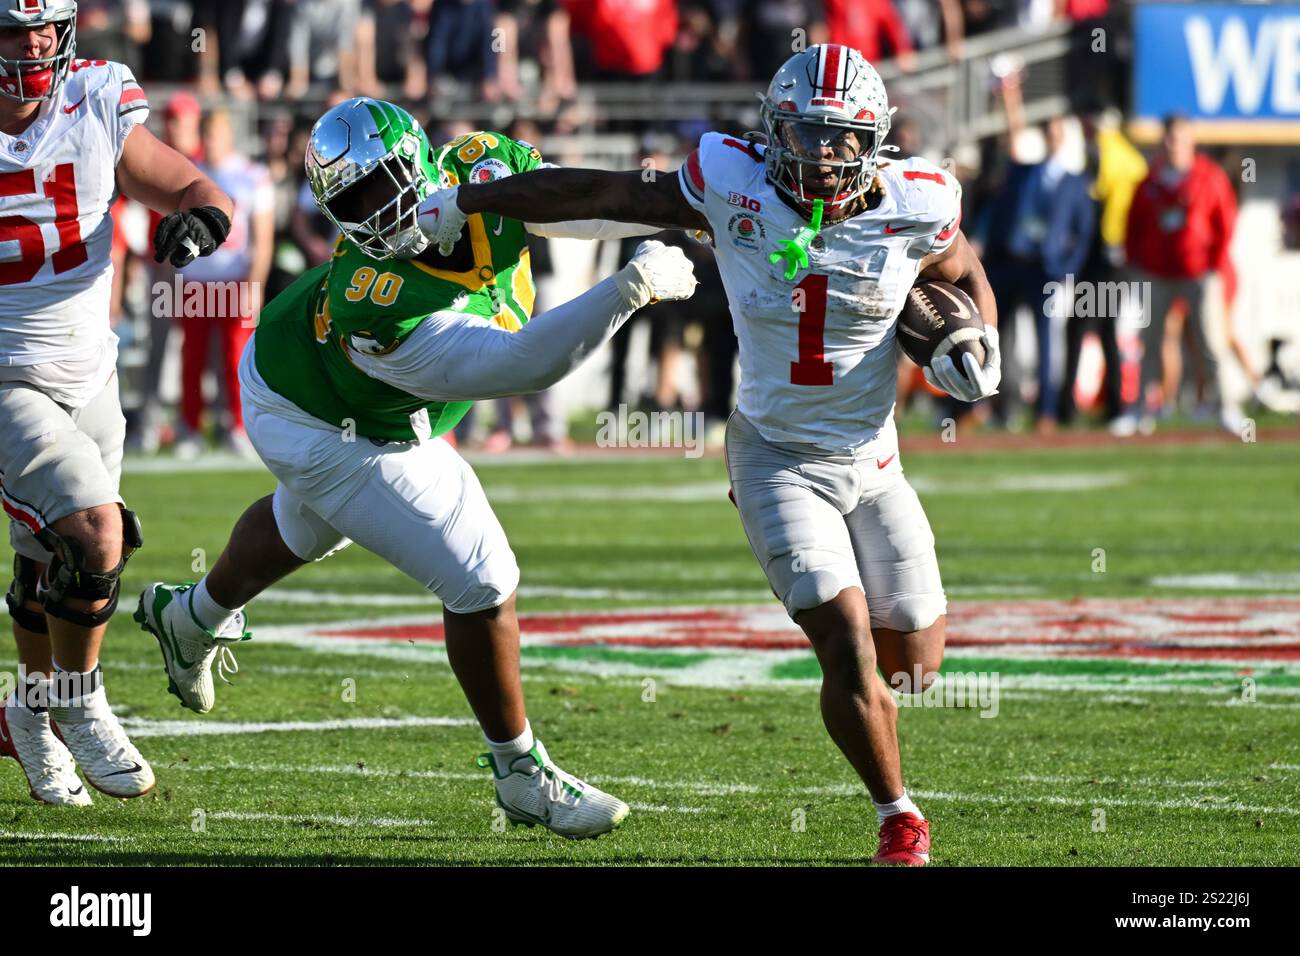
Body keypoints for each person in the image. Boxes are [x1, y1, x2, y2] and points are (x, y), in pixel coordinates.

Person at [420, 44, 1001, 866]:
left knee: (912, 666)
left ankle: (885, 735)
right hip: (773, 454)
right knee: (845, 641)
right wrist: (472, 197)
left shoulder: (919, 199)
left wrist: (980, 335)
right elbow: (603, 192)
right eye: (803, 135)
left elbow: (962, 266)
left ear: (875, 142)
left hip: (874, 462)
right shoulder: (733, 183)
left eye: (839, 140)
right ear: (771, 133)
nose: (820, 158)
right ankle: (898, 818)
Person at [135, 99, 678, 839]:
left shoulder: (477, 166)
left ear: (421, 158)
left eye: (385, 181)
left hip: (310, 377)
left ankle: (190, 615)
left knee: (309, 523)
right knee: (481, 577)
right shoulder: (374, 295)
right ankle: (519, 772)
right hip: (310, 410)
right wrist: (629, 287)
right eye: (354, 200)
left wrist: (684, 207)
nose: (379, 209)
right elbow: (522, 364)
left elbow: (580, 199)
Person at [0, 0, 232, 805]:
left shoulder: (97, 95)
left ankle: (27, 716)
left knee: (48, 562)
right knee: (98, 531)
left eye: (41, 26)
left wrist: (200, 220)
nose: (29, 43)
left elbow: (189, 183)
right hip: (4, 375)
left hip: (92, 372)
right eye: (8, 27)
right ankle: (81, 703)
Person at [1118, 114, 1237, 433]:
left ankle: (1225, 406)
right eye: (1170, 138)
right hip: (1156, 273)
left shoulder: (1209, 176)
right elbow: (1134, 225)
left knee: (1210, 341)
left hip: (1198, 272)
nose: (1174, 145)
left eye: (1181, 138)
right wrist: (1135, 263)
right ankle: (1141, 410)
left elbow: (1225, 222)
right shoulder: (1151, 179)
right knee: (1151, 341)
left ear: (1191, 141)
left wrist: (1213, 262)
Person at [173, 108, 275, 458]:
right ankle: (190, 427)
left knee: (236, 358)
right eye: (206, 134)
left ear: (229, 135)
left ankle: (237, 426)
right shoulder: (191, 172)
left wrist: (254, 283)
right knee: (192, 358)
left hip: (234, 278)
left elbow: (263, 237)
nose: (210, 141)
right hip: (195, 280)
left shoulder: (251, 175)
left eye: (215, 134)